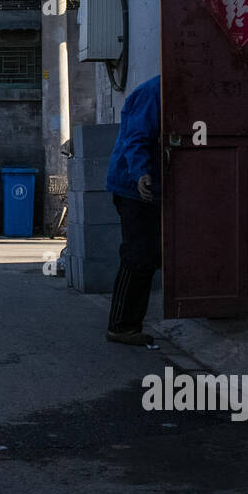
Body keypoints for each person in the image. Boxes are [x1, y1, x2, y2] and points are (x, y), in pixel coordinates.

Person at [104, 75, 162, 347]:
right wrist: (141, 174)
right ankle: (121, 326)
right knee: (138, 255)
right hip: (134, 189)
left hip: (150, 188)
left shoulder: (165, 89)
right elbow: (136, 139)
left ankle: (127, 322)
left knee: (149, 255)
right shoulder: (153, 92)